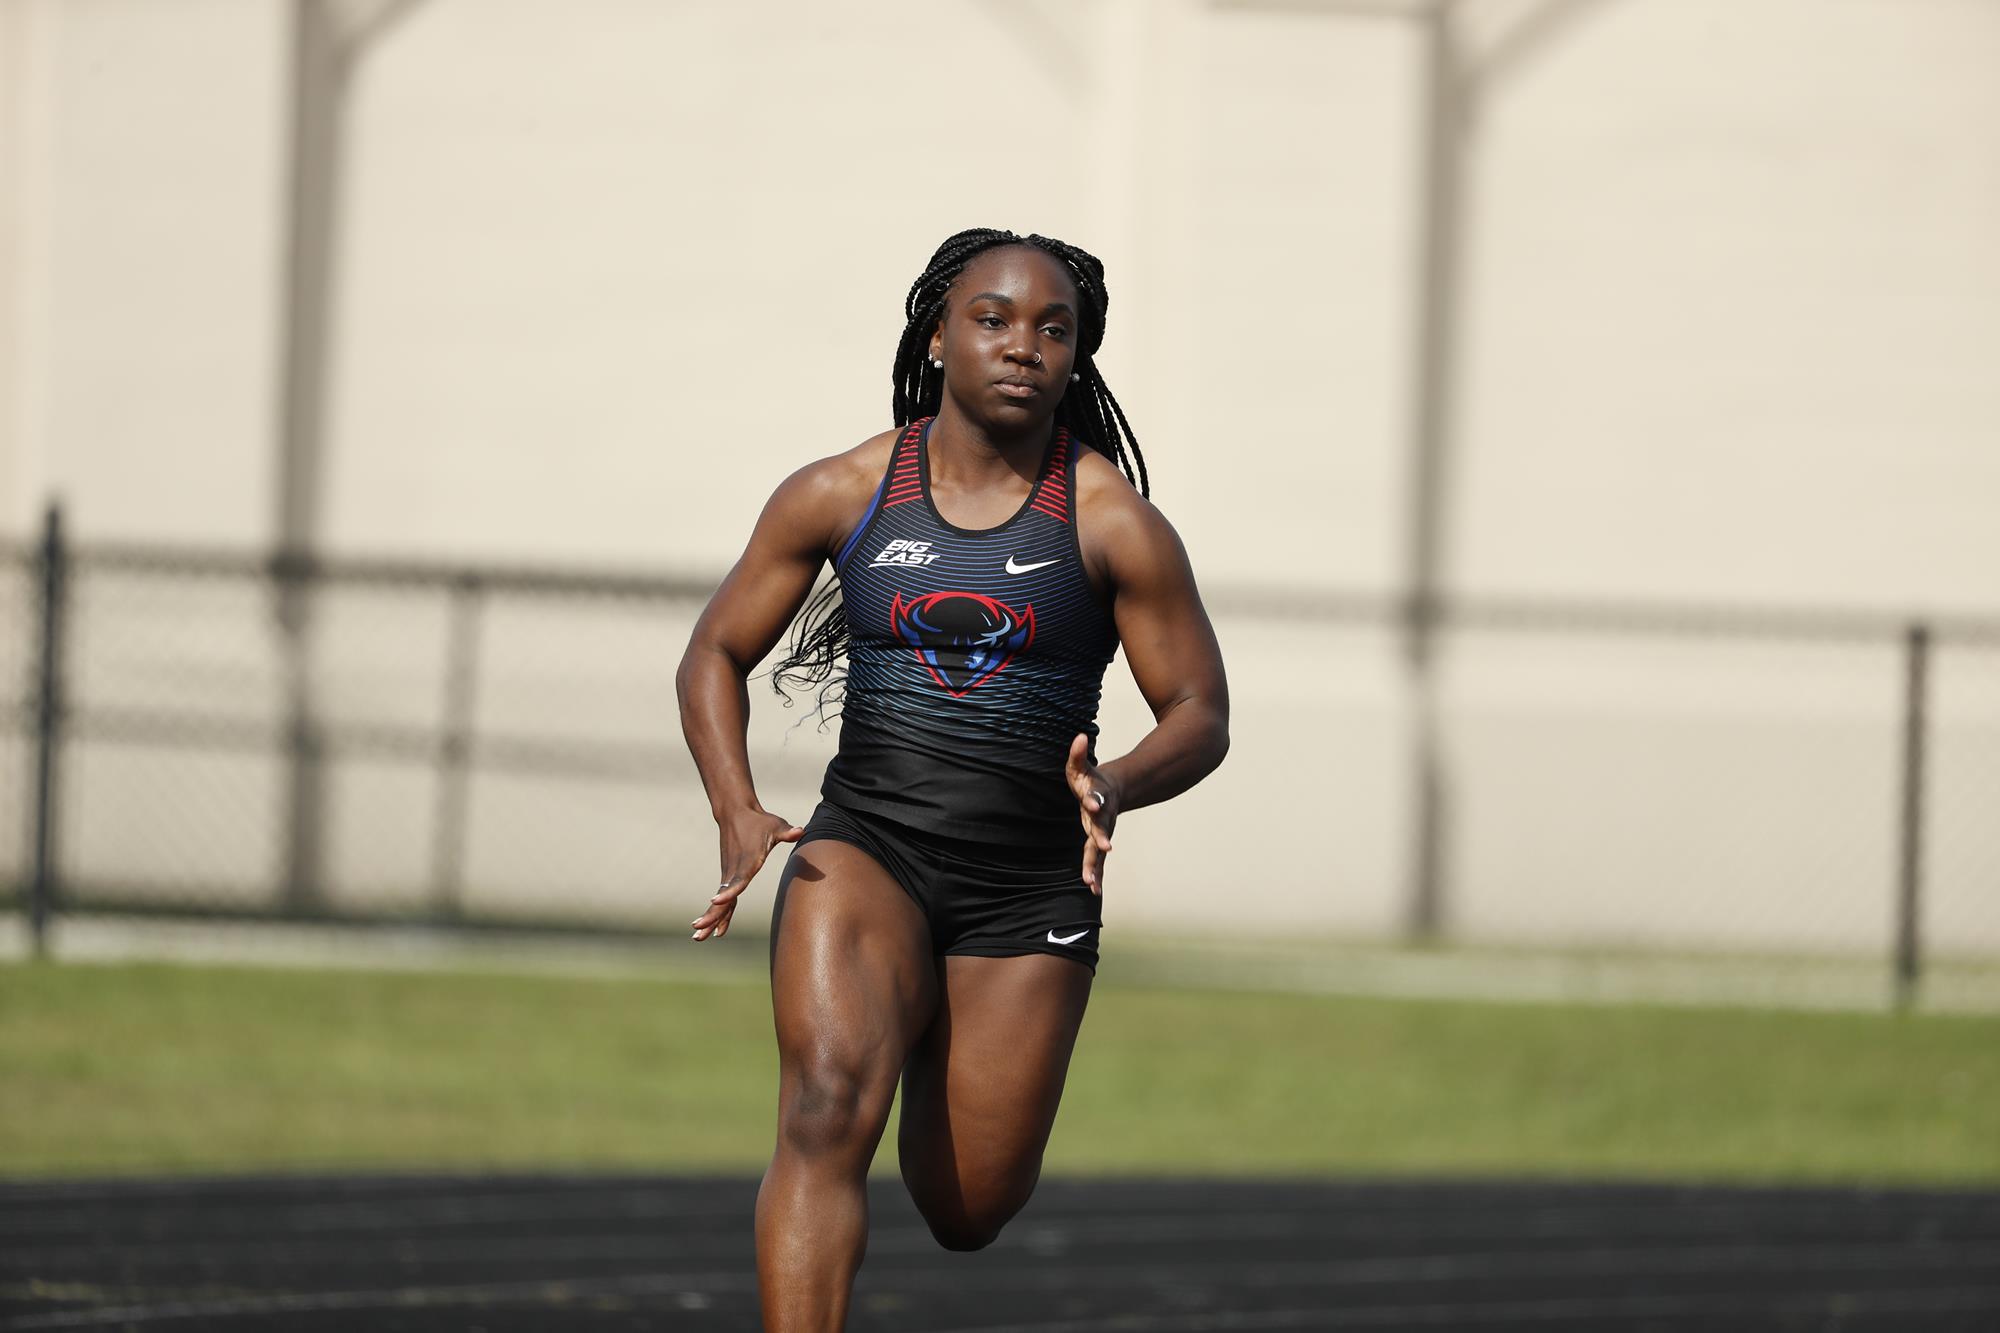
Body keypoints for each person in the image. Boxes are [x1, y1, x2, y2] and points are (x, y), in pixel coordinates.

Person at [675, 227, 1229, 1330]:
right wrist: (735, 806)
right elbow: (714, 652)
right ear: (937, 335)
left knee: (966, 1203)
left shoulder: (1113, 522)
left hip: (1026, 885)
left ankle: (929, 1007)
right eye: (991, 318)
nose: (1020, 345)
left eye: (1050, 328)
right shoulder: (839, 490)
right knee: (825, 1107)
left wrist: (1112, 783)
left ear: (1077, 357)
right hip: (865, 848)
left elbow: (1199, 715)